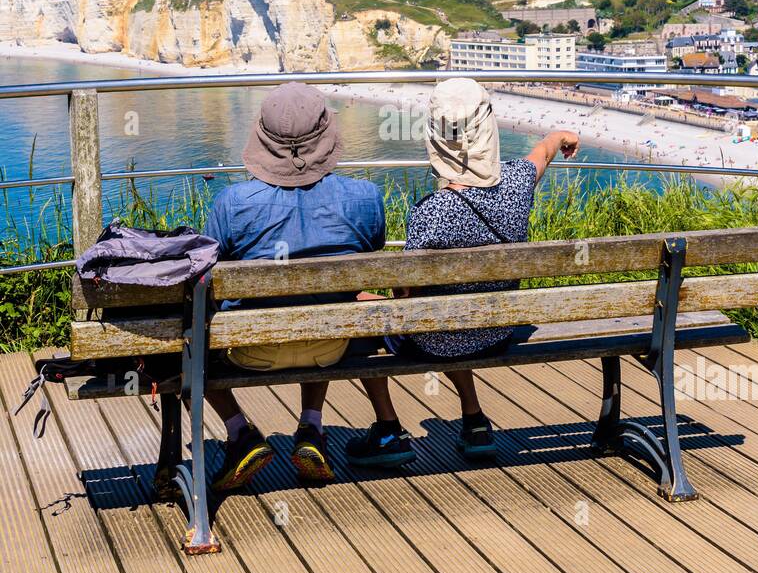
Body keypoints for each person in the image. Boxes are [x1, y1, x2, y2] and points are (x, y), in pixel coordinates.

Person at [347, 78, 579, 467]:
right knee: (458, 311)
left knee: (359, 308)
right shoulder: (518, 185)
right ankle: (474, 422)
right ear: (487, 131)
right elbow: (541, 153)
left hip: (436, 338)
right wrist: (559, 137)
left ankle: (388, 430)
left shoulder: (430, 212)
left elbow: (406, 298)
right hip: (496, 331)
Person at [203, 83, 385, 489]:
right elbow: (368, 277)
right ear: (325, 137)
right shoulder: (366, 198)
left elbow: (206, 280)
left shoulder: (231, 203)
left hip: (250, 350)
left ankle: (239, 432)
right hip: (330, 346)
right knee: (325, 306)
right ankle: (312, 426)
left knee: (182, 337)